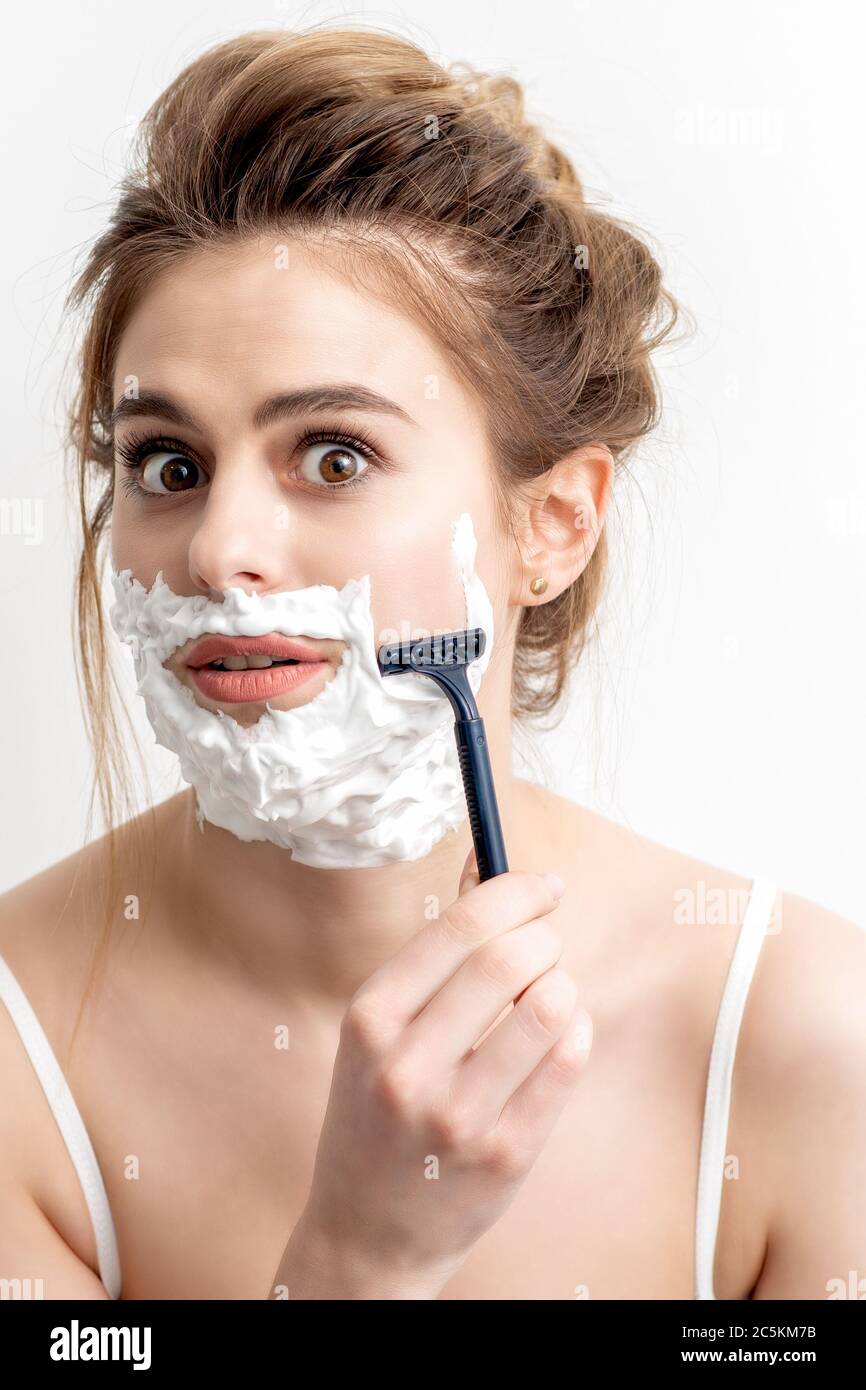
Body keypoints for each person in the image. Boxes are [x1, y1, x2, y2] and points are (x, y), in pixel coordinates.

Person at [1, 25, 863, 1302]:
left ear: (551, 525)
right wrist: (355, 1260)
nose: (222, 547)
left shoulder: (799, 1038)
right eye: (167, 464)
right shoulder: (19, 1064)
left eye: (333, 454)